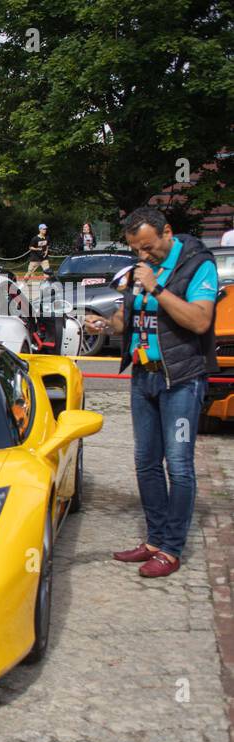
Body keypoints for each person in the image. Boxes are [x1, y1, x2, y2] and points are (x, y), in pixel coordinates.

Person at [83, 206, 219, 578]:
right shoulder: (140, 270)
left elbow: (200, 319)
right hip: (144, 375)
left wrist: (157, 286)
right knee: (145, 462)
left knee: (178, 465)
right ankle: (155, 540)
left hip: (181, 379)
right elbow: (128, 319)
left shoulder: (196, 265)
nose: (143, 256)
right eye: (136, 250)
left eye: (148, 248)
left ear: (166, 232)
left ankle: (172, 548)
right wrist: (102, 327)